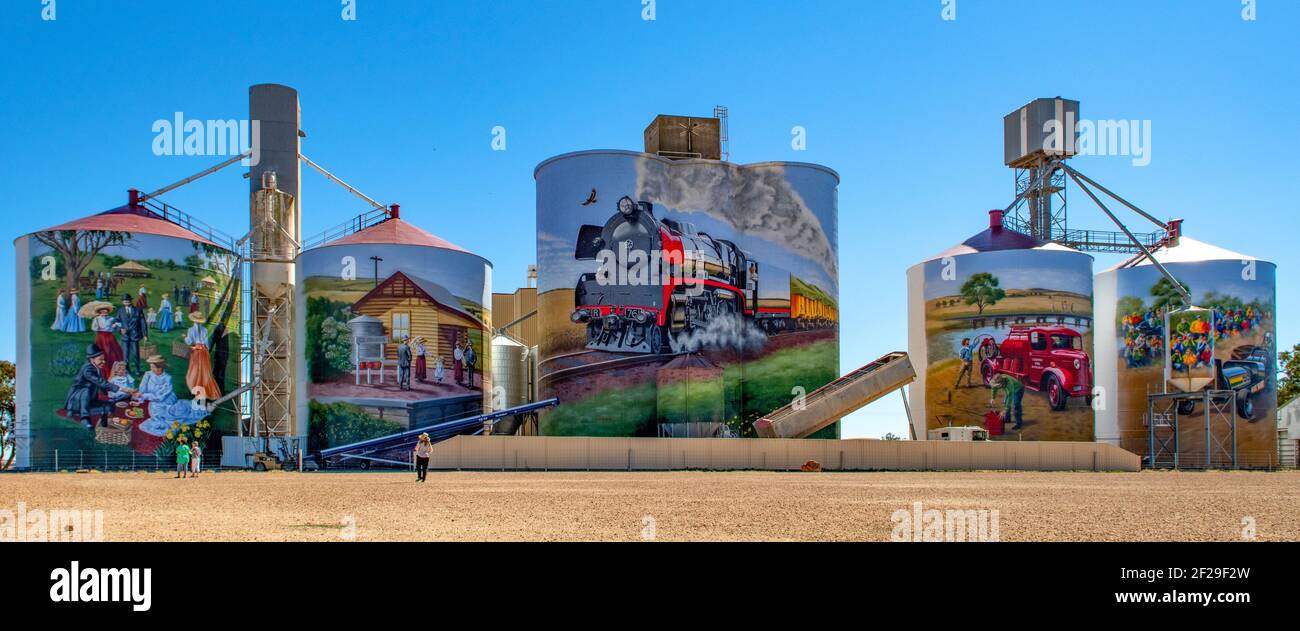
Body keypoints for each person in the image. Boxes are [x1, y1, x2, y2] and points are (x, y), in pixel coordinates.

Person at [64, 344, 135, 430]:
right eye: (100, 359)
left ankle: (103, 416)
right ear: (91, 359)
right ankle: (84, 418)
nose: (103, 362)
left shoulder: (96, 367)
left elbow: (101, 383)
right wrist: (122, 389)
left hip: (91, 398)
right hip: (78, 400)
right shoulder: (87, 369)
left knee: (109, 406)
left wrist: (108, 393)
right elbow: (100, 381)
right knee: (85, 390)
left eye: (103, 359)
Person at [184, 313, 221, 400]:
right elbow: (206, 343)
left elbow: (189, 342)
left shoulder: (191, 330)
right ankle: (202, 390)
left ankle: (196, 389)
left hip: (196, 352)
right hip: (204, 351)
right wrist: (206, 351)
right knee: (204, 371)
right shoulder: (204, 329)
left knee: (195, 370)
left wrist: (185, 338)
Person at [116, 293, 148, 375]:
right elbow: (117, 322)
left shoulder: (137, 310)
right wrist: (120, 329)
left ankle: (137, 370)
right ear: (123, 302)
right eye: (125, 301)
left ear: (131, 301)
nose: (126, 302)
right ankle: (127, 370)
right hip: (125, 337)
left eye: (128, 301)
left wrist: (145, 335)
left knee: (136, 354)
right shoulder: (120, 311)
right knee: (125, 355)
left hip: (135, 336)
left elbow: (143, 323)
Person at [91, 304, 125, 380]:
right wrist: (97, 326)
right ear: (100, 312)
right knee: (103, 352)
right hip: (101, 337)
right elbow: (94, 328)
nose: (104, 312)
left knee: (113, 352)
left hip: (109, 336)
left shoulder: (111, 318)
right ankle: (102, 371)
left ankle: (115, 369)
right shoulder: (97, 319)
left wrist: (116, 325)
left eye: (106, 311)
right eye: (102, 311)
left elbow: (118, 324)